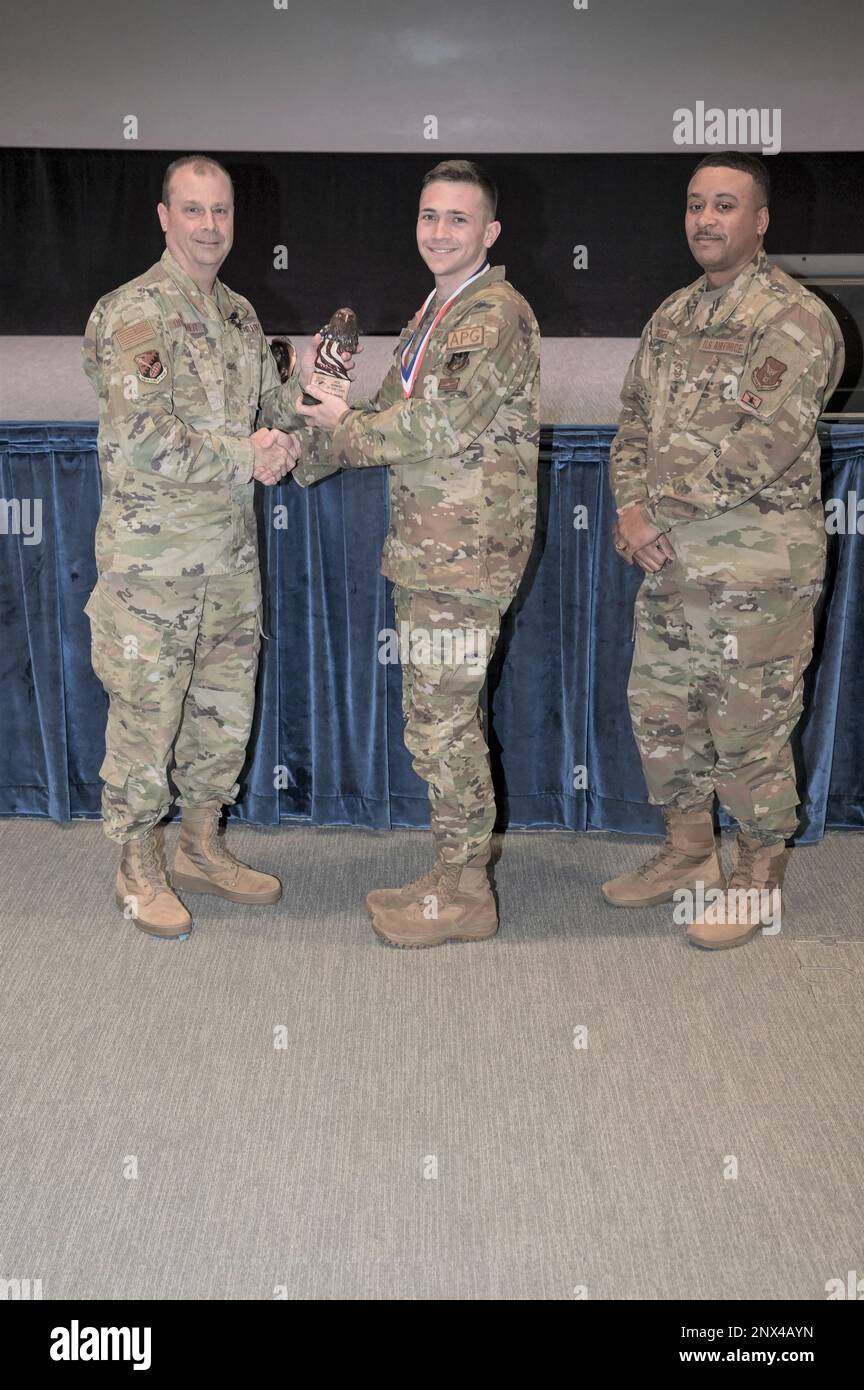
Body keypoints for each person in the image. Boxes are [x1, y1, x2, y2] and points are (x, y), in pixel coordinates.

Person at [286, 159, 541, 948]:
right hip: (433, 552)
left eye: (458, 219)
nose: (440, 231)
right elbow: (391, 410)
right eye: (430, 217)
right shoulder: (436, 312)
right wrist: (304, 444)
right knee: (434, 719)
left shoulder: (489, 314)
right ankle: (451, 873)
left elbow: (437, 426)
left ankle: (466, 897)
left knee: (443, 726)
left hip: (462, 557)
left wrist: (335, 432)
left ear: (489, 232)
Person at [82, 155, 335, 939]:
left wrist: (305, 415)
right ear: (164, 217)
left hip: (227, 565)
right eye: (192, 210)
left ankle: (199, 845)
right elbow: (142, 438)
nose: (208, 226)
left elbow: (268, 410)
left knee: (222, 716)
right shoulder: (134, 315)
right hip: (153, 573)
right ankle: (135, 864)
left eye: (220, 211)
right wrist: (248, 455)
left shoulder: (238, 316)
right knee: (147, 716)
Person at [603, 151, 845, 949]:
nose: (706, 220)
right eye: (696, 205)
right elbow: (633, 420)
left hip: (755, 573)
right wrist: (631, 506)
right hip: (671, 564)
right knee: (664, 714)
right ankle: (687, 854)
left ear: (761, 220)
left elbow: (762, 444)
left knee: (749, 728)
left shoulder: (795, 319)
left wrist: (651, 512)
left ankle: (757, 878)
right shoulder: (672, 316)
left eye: (726, 206)